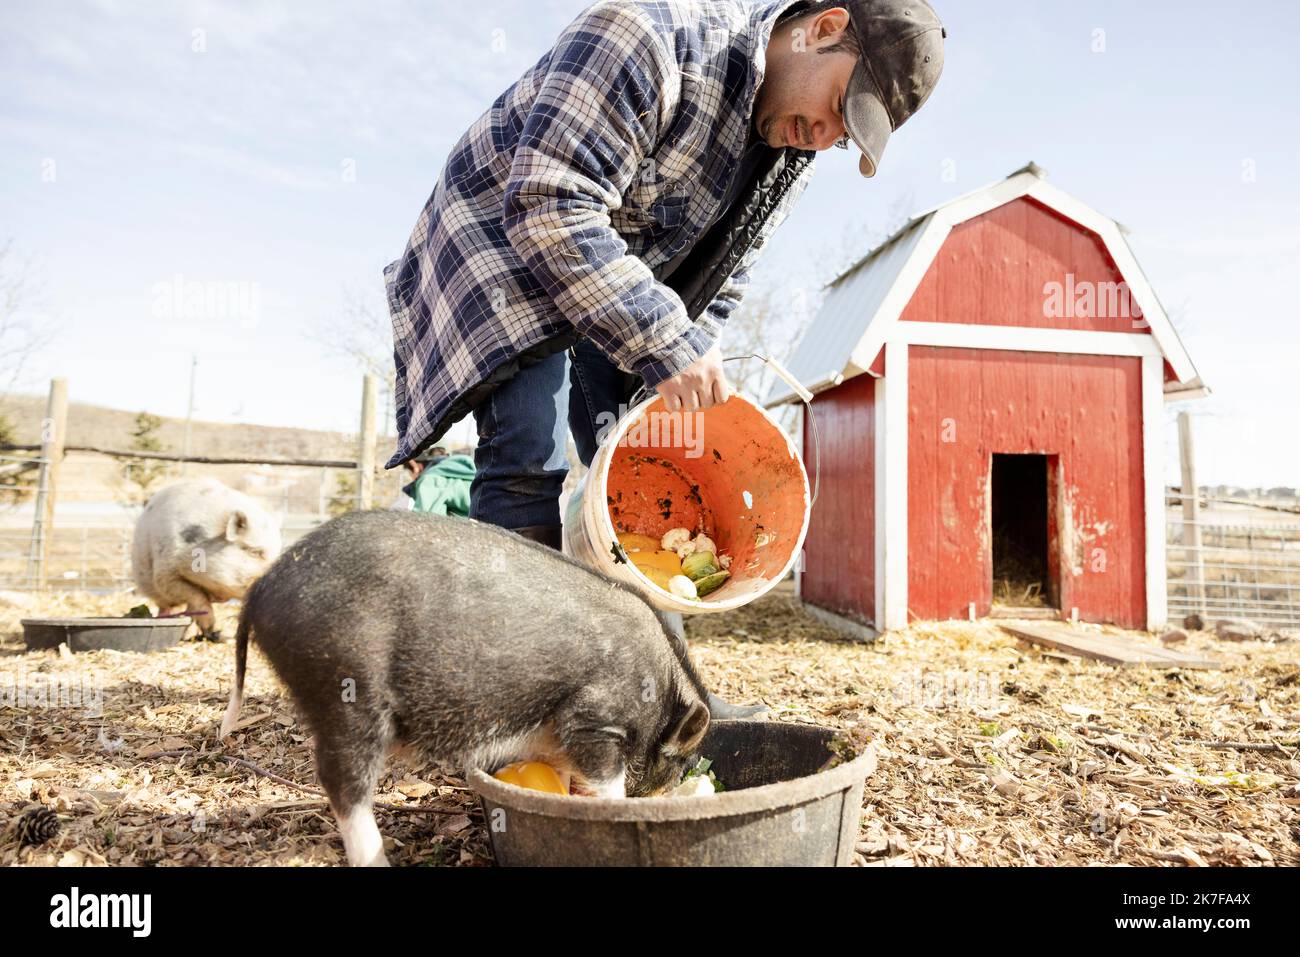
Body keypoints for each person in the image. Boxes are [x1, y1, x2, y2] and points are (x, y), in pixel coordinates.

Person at [383, 0, 945, 716]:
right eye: (840, 104)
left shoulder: (787, 152)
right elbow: (549, 200)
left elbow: (725, 270)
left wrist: (688, 353)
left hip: (615, 278)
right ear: (823, 27)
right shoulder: (650, 36)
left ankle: (665, 706)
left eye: (845, 135)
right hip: (502, 248)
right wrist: (664, 340)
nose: (826, 134)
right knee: (528, 455)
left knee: (656, 469)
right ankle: (509, 714)